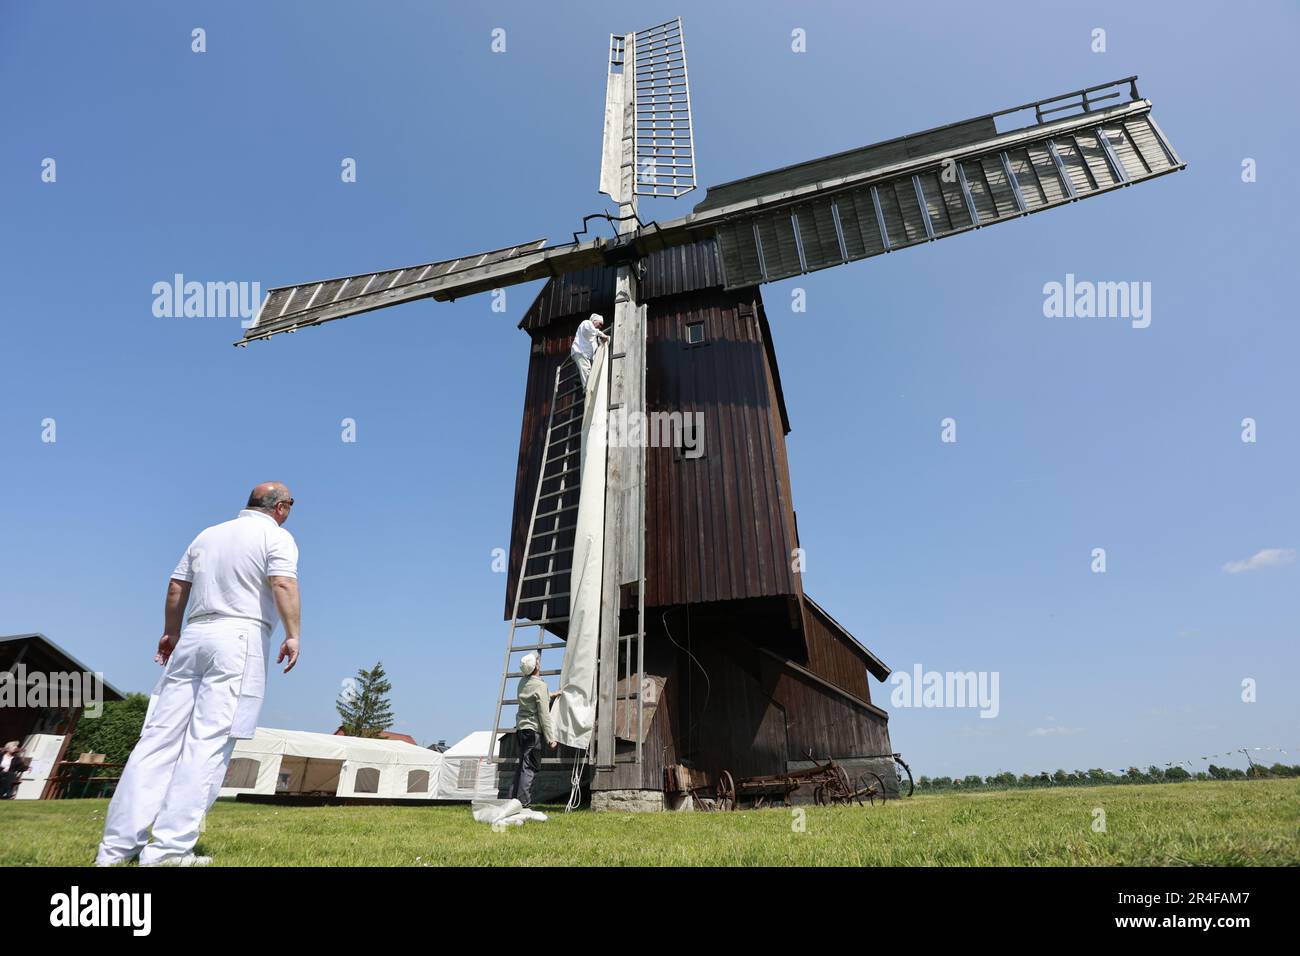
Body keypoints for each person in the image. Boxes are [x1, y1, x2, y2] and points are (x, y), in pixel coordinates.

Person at [94, 482, 302, 867]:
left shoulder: (207, 534)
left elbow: (177, 586)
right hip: (240, 635)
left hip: (194, 633)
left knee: (156, 741)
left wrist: (170, 632)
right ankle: (170, 850)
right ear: (281, 508)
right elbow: (283, 582)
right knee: (209, 742)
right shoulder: (277, 536)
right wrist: (293, 634)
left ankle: (115, 849)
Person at [509, 653, 557, 808]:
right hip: (533, 731)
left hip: (521, 729)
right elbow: (544, 714)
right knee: (529, 767)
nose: (539, 662)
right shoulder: (540, 686)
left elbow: (533, 696)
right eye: (538, 661)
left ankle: (511, 799)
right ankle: (523, 803)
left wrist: (551, 694)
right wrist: (550, 738)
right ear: (536, 666)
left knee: (522, 765)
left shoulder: (522, 682)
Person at [571, 313, 609, 390]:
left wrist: (601, 341)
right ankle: (587, 390)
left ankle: (581, 381)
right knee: (587, 370)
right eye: (600, 324)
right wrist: (603, 335)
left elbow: (594, 347)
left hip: (584, 355)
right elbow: (592, 330)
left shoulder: (593, 335)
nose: (600, 327)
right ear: (594, 320)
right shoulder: (586, 323)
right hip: (580, 352)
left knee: (586, 370)